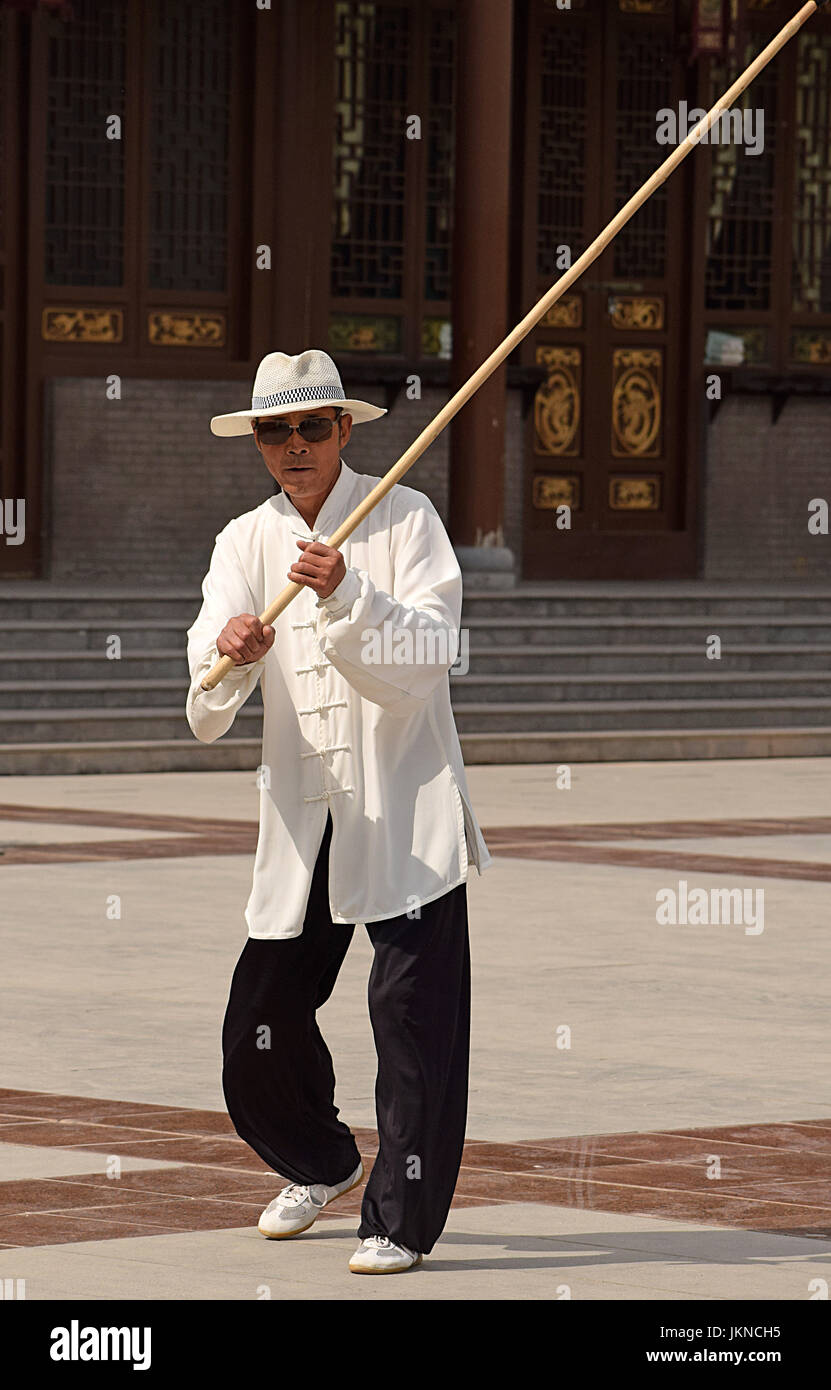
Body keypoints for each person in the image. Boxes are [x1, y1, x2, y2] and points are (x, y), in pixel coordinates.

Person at [185, 349, 492, 1275]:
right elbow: (203, 703)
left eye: (312, 426)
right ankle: (318, 1160)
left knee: (408, 1021)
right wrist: (234, 651)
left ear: (344, 429)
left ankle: (397, 1220)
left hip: (403, 815)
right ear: (258, 444)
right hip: (304, 820)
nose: (294, 446)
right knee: (257, 1029)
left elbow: (431, 654)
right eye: (274, 431)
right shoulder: (244, 542)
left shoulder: (406, 517)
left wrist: (348, 591)